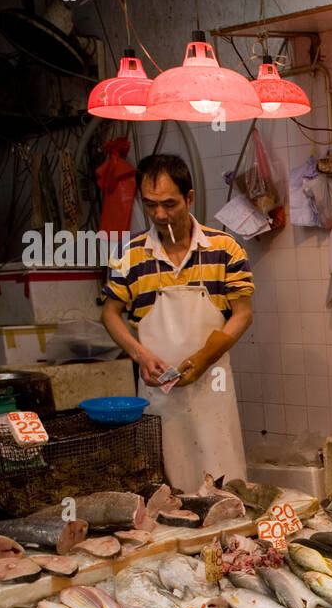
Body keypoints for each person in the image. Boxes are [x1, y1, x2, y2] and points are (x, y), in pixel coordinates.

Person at [102, 153, 252, 493]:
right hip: (159, 394)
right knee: (170, 493)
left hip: (212, 385)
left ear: (190, 198)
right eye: (150, 204)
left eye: (169, 204)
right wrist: (140, 354)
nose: (159, 214)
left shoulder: (224, 249)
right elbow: (110, 313)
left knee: (225, 486)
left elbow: (242, 313)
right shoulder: (131, 255)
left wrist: (203, 359)